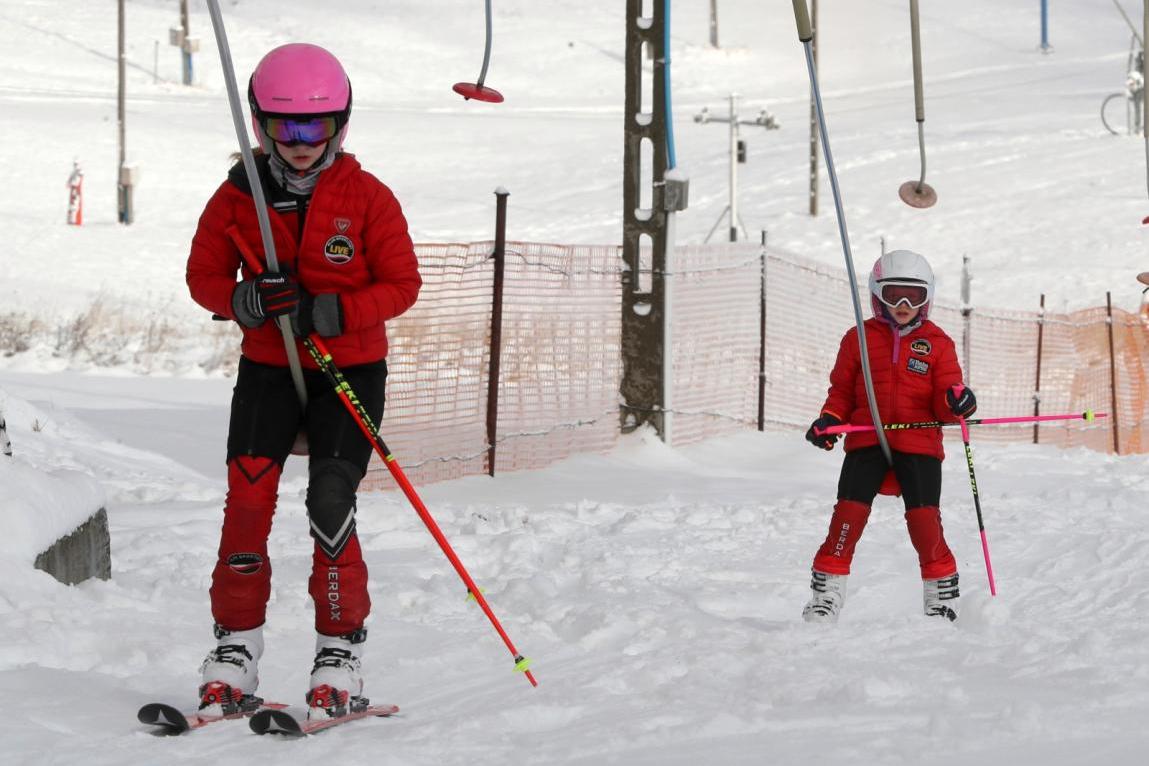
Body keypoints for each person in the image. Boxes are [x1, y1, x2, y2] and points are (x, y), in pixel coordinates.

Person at [185, 43, 421, 718]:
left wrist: (331, 310)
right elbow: (203, 276)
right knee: (248, 497)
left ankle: (338, 656)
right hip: (267, 366)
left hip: (346, 369)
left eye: (312, 128)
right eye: (283, 126)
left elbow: (403, 284)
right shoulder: (239, 198)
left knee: (329, 501)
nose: (297, 142)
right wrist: (243, 302)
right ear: (259, 124)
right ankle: (233, 651)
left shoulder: (368, 198)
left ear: (339, 125)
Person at [801, 249, 976, 624]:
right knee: (848, 513)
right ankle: (825, 594)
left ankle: (940, 594)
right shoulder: (858, 339)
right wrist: (829, 421)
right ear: (876, 293)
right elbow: (842, 392)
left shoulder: (938, 343)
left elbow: (947, 396)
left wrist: (956, 401)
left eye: (913, 296)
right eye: (893, 293)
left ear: (926, 298)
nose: (902, 304)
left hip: (919, 443)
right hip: (867, 438)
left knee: (924, 520)